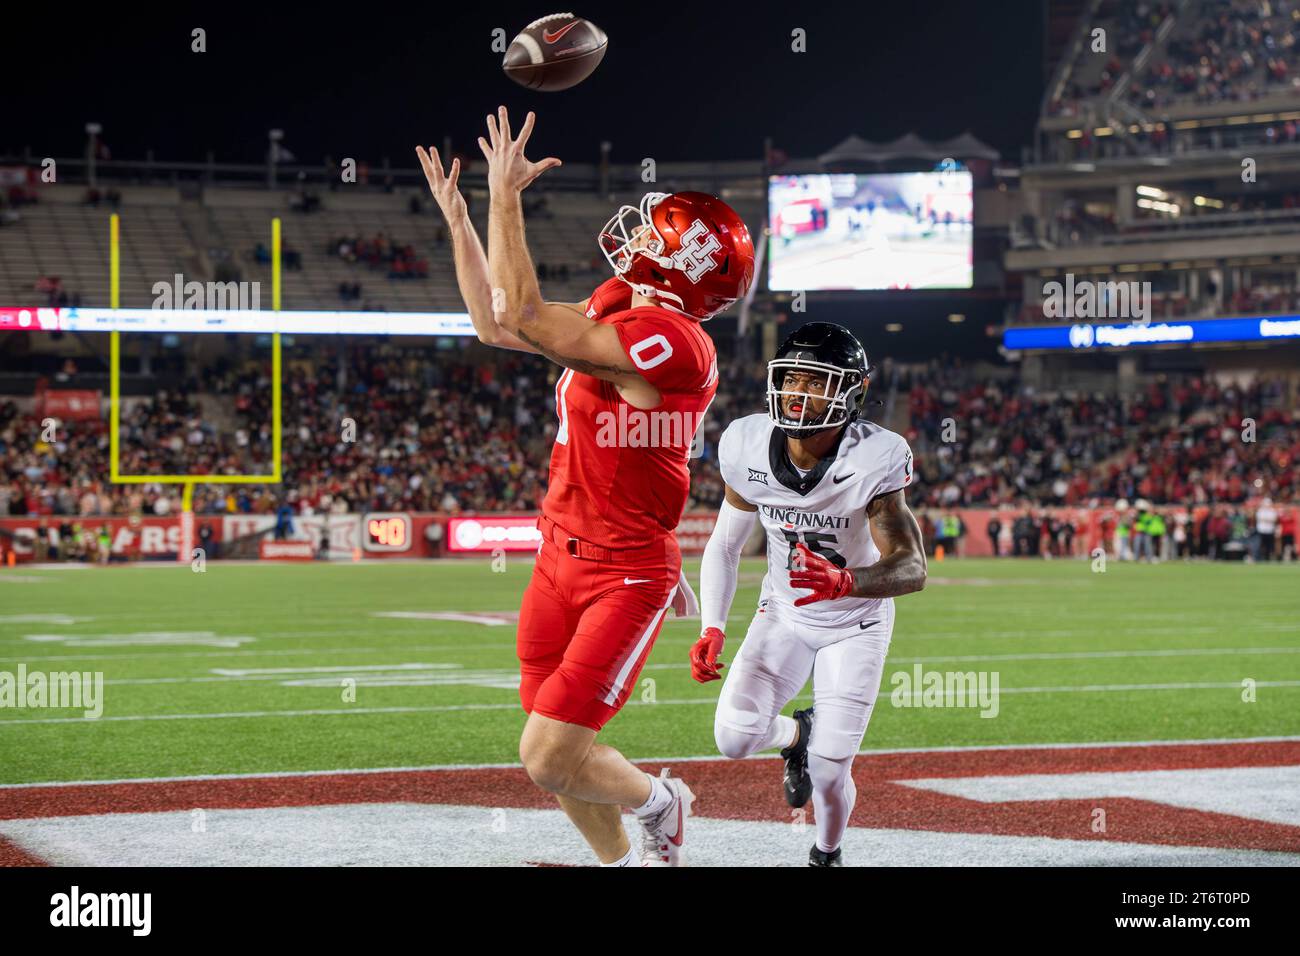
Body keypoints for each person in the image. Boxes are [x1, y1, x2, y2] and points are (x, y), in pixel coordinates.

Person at [417, 107, 755, 867]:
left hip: (625, 569)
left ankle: (663, 802)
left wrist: (509, 198)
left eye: (654, 235)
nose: (636, 239)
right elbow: (497, 323)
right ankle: (623, 864)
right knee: (557, 748)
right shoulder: (626, 304)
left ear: (685, 263)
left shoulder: (677, 342)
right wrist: (464, 220)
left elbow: (532, 317)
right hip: (557, 555)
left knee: (544, 755)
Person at [691, 323, 926, 867]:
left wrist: (846, 581)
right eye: (792, 378)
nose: (798, 392)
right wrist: (713, 626)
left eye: (816, 381)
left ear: (851, 392)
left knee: (828, 771)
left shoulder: (875, 456)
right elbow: (725, 546)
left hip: (856, 621)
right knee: (733, 736)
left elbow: (911, 567)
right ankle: (797, 734)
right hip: (784, 613)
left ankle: (827, 854)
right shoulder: (746, 443)